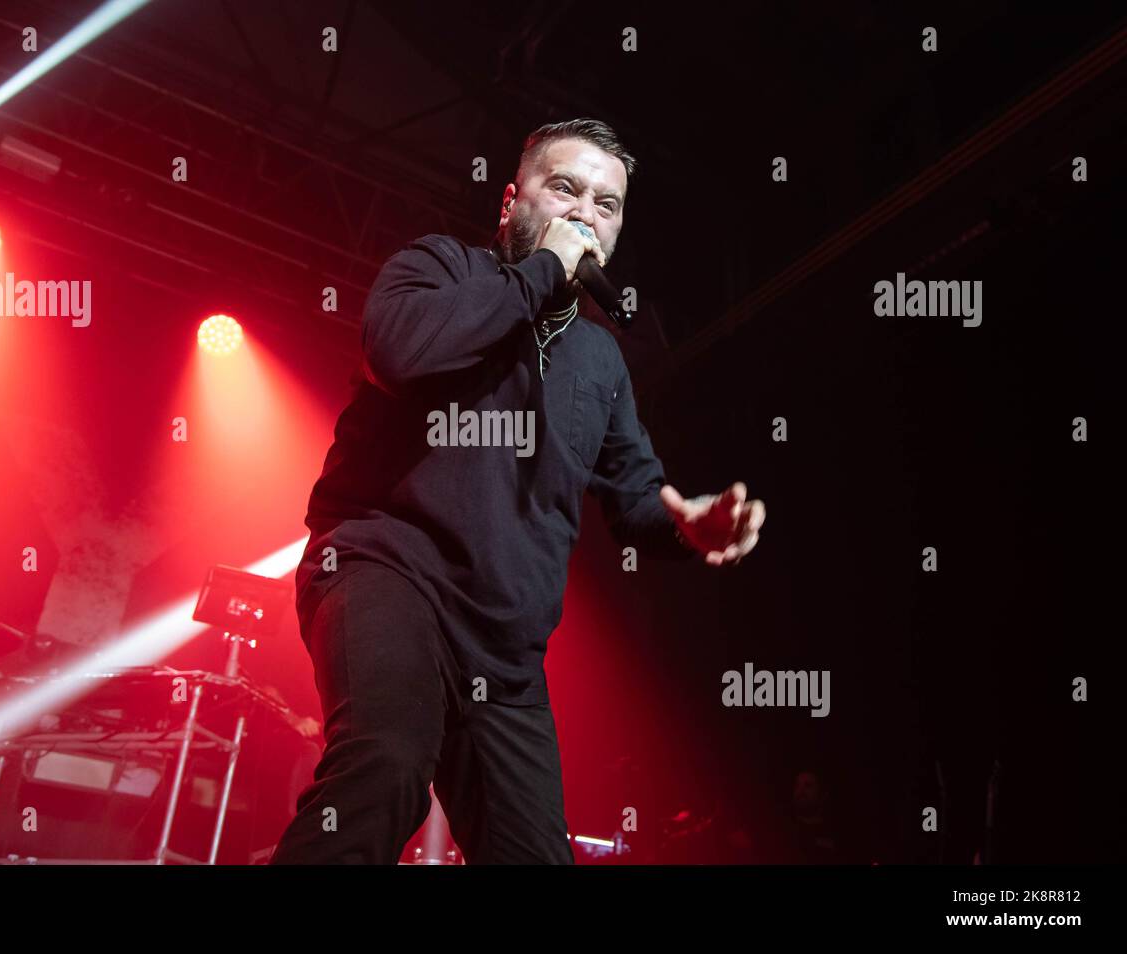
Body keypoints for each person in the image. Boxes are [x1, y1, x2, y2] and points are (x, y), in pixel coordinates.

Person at [270, 118, 765, 864]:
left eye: (606, 204)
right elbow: (400, 352)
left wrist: (688, 526)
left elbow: (636, 497)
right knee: (387, 761)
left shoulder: (601, 361)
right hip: (385, 571)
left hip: (503, 647)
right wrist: (540, 275)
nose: (583, 213)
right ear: (511, 202)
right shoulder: (439, 269)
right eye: (564, 188)